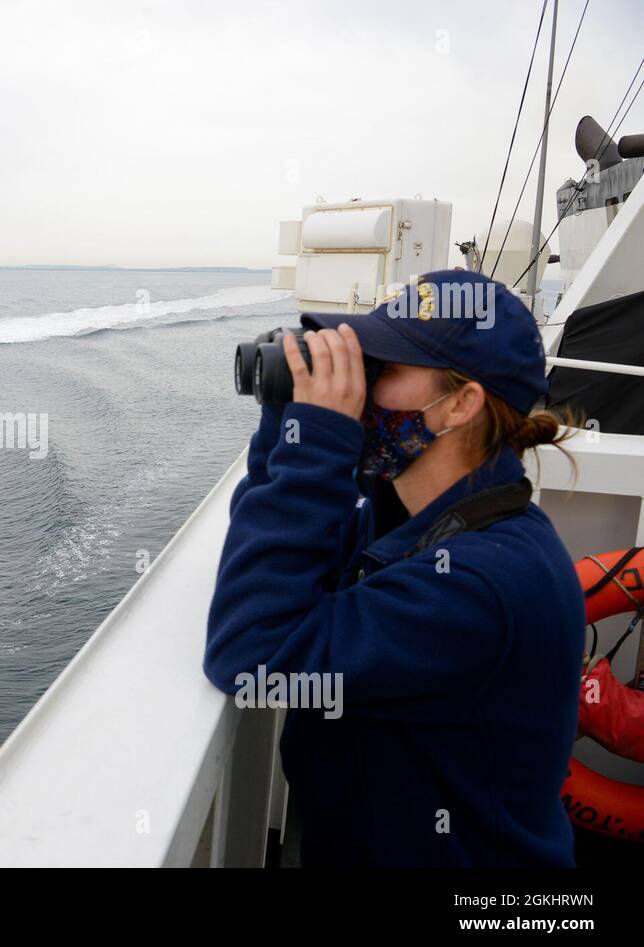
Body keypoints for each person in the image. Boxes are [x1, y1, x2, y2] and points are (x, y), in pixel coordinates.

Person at [204, 270, 585, 867]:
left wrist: (320, 442)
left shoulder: (481, 581)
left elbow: (251, 656)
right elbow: (269, 558)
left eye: (385, 368)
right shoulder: (409, 516)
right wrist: (292, 421)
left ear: (460, 404)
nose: (362, 383)